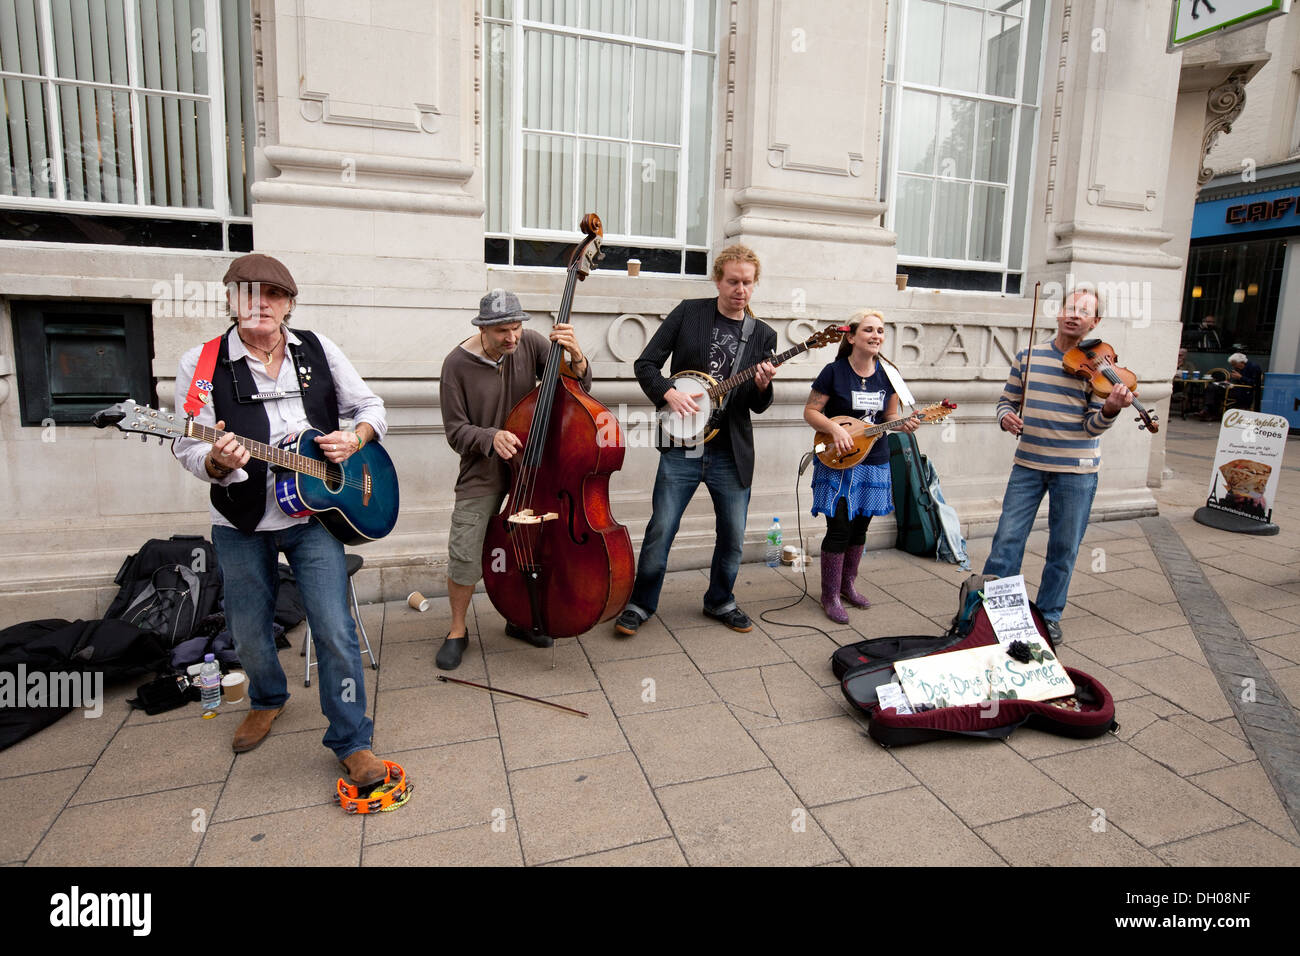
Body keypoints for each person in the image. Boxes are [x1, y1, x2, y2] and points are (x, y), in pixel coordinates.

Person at [173, 253, 390, 785]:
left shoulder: (317, 349)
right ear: (230, 301)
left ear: (289, 303)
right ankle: (268, 698)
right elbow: (186, 445)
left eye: (272, 294)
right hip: (241, 521)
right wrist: (218, 460)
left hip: (315, 515)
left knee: (335, 629)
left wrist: (353, 438)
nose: (260, 304)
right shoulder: (199, 365)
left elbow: (371, 407)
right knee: (247, 632)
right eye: (247, 293)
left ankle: (351, 737)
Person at [614, 244, 779, 636]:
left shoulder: (764, 334)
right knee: (662, 528)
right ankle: (640, 603)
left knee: (733, 536)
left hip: (731, 451)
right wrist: (668, 391)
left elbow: (759, 405)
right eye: (733, 281)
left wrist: (762, 386)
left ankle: (721, 601)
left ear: (755, 285)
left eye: (748, 283)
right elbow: (646, 364)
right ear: (718, 280)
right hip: (682, 445)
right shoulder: (690, 312)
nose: (740, 289)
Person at [436, 291, 591, 670]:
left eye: (517, 328)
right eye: (503, 331)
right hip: (484, 469)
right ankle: (457, 629)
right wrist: (491, 437)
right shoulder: (456, 365)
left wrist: (577, 356)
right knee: (466, 550)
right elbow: (456, 432)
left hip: (536, 467)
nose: (512, 338)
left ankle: (521, 620)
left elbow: (576, 389)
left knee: (533, 548)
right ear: (483, 329)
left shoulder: (532, 343)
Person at [982, 288, 1133, 643]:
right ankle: (992, 611)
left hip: (1076, 470)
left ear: (1095, 322)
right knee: (1007, 540)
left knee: (1063, 548)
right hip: (1028, 465)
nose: (1074, 314)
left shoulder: (1103, 370)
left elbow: (1090, 427)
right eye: (1070, 306)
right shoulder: (1027, 356)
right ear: (1058, 312)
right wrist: (1006, 419)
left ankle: (1048, 615)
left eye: (1085, 311)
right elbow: (1006, 401)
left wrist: (1110, 409)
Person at [802, 310, 918, 624]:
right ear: (851, 336)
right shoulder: (834, 371)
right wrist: (835, 428)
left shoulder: (889, 374)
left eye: (880, 331)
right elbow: (811, 411)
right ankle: (829, 595)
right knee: (838, 528)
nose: (876, 335)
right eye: (868, 330)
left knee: (860, 528)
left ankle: (847, 586)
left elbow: (890, 417)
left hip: (873, 461)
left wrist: (903, 424)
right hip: (837, 462)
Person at [1200, 352, 1263, 420]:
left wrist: (1241, 377)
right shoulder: (1238, 367)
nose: (1234, 367)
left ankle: (1210, 412)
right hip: (1234, 388)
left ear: (1242, 362)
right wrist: (1227, 382)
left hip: (1245, 391)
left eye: (1235, 365)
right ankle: (1207, 410)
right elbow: (1235, 380)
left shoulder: (1254, 367)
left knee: (1216, 392)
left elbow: (1255, 383)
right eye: (1233, 365)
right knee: (1212, 387)